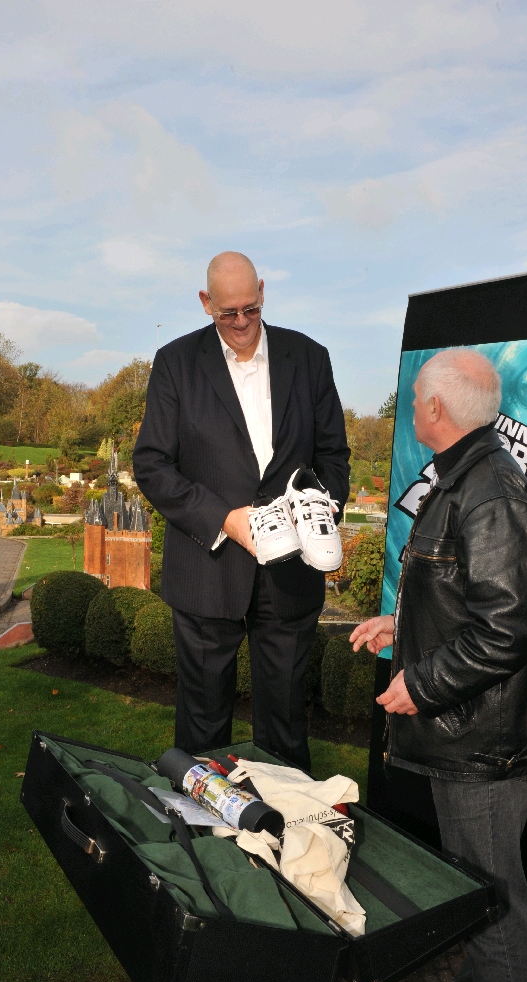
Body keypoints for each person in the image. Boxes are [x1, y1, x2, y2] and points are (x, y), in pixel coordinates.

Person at [350, 348, 527, 982]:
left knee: (492, 895)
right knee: (477, 880)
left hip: (485, 741)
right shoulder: (465, 477)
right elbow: (469, 596)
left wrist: (423, 682)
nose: (410, 407)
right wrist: (402, 624)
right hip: (473, 730)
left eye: (415, 397)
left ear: (436, 409)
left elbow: (511, 626)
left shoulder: (489, 491)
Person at [133, 252, 349, 770]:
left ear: (263, 293)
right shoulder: (175, 362)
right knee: (203, 730)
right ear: (206, 303)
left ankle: (288, 836)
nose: (241, 323)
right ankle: (206, 839)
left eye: (250, 309)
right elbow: (153, 464)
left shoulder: (309, 357)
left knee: (286, 724)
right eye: (227, 312)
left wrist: (316, 512)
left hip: (291, 571)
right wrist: (223, 520)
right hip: (207, 571)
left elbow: (333, 457)